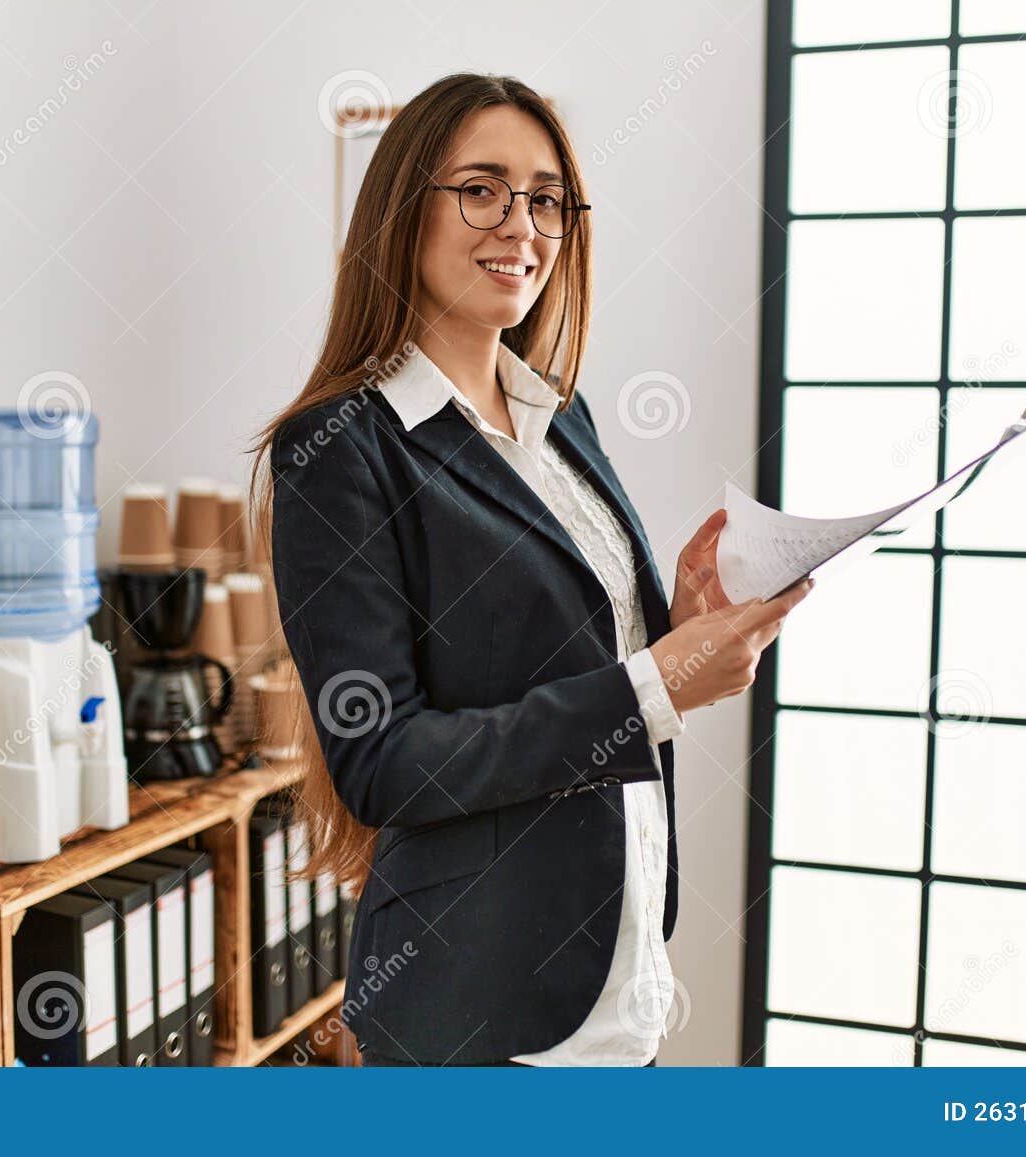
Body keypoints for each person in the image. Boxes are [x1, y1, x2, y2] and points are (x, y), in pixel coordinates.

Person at [249, 72, 813, 1067]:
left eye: (546, 198)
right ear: (400, 211)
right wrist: (657, 682)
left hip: (617, 974)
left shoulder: (561, 417)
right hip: (475, 1010)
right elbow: (381, 759)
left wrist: (668, 622)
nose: (521, 223)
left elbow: (559, 658)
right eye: (481, 187)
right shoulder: (340, 447)